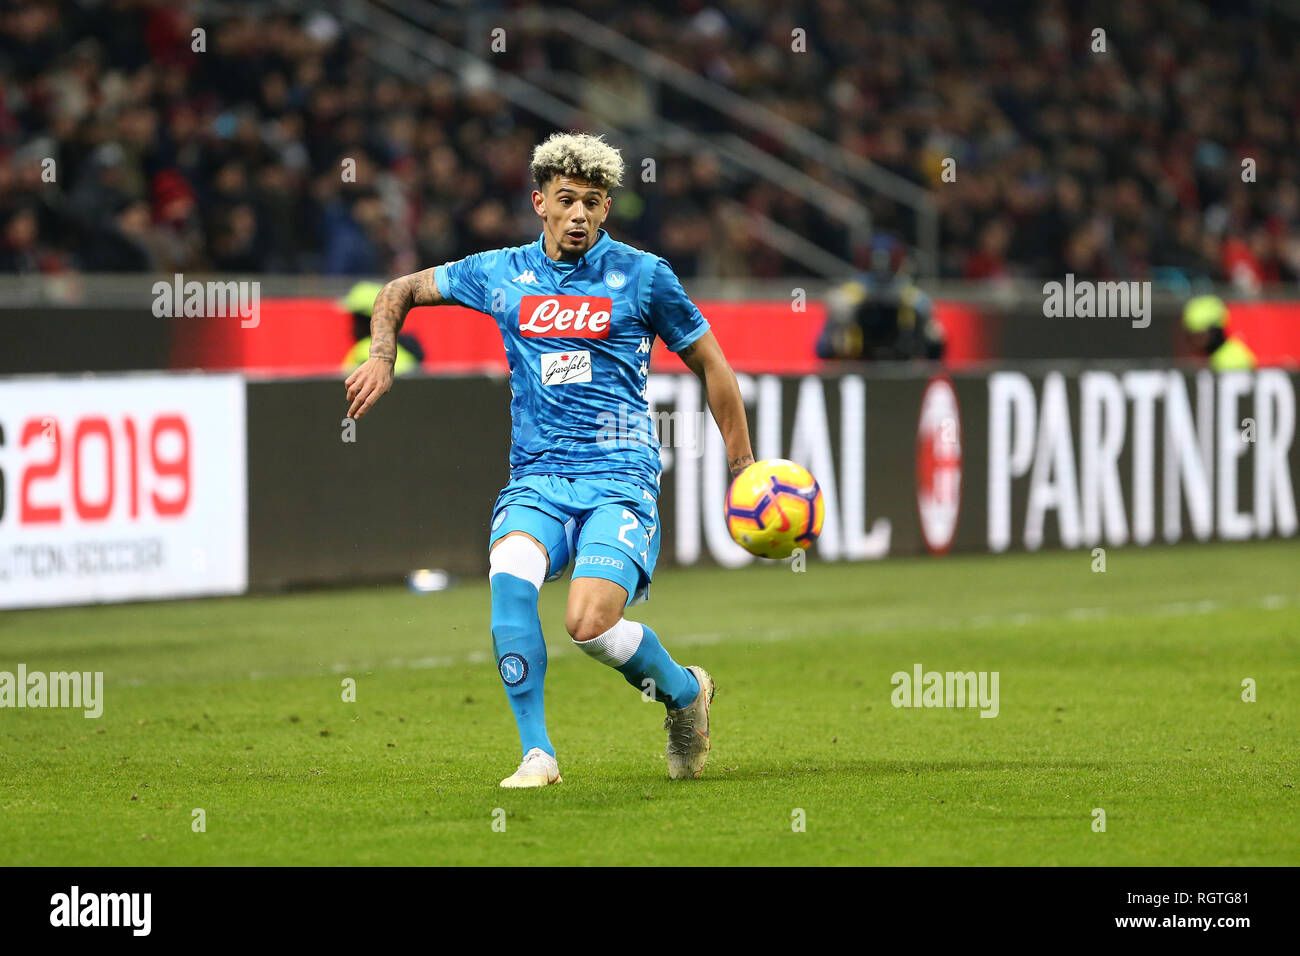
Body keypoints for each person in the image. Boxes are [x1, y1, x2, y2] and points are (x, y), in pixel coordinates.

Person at [343, 132, 754, 787]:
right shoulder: (500, 272)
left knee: (588, 625)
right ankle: (539, 755)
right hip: (536, 478)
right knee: (508, 575)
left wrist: (742, 467)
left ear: (606, 209)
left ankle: (683, 695)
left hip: (619, 477)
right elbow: (398, 290)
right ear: (540, 202)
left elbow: (711, 362)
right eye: (567, 200)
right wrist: (383, 357)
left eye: (594, 202)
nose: (581, 215)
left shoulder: (644, 277)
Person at [816, 239, 945, 362]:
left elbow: (934, 344)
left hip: (901, 363)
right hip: (857, 363)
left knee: (933, 330)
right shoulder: (845, 296)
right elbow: (823, 348)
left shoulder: (912, 296)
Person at [338, 280, 424, 375]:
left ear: (363, 321)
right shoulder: (407, 348)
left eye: (354, 319)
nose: (351, 327)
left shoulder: (364, 351)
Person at [1182, 295, 1256, 371]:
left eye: (1200, 334)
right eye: (1191, 335)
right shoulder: (1210, 357)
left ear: (1214, 331)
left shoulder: (1232, 361)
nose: (1194, 340)